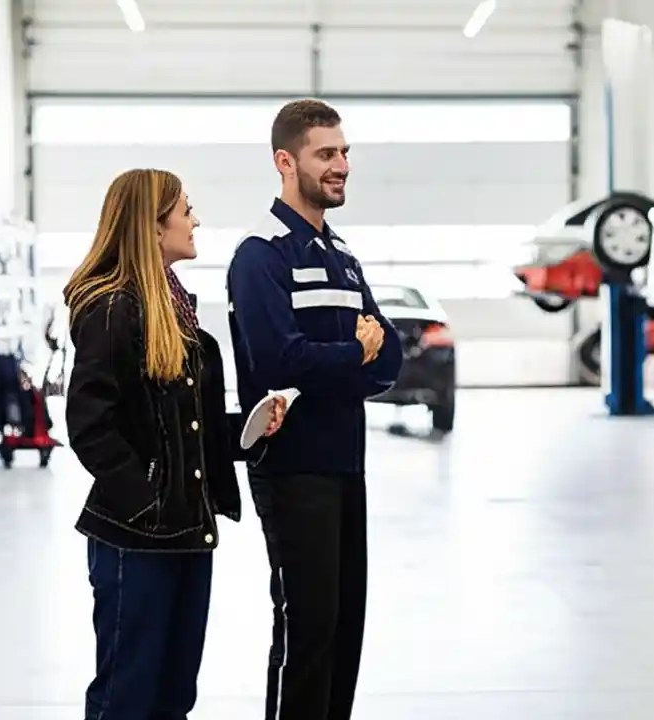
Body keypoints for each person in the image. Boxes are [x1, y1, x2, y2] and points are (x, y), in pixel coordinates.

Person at [63, 168, 284, 720]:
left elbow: (190, 424)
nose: (196, 220)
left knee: (173, 695)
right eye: (185, 210)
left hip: (188, 533)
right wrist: (145, 499)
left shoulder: (175, 309)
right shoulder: (112, 309)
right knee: (126, 695)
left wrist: (249, 429)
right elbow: (89, 424)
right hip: (134, 540)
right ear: (153, 225)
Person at [226, 99, 402, 720]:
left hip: (346, 465)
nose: (342, 165)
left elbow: (390, 356)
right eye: (326, 154)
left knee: (344, 628)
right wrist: (353, 353)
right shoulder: (261, 257)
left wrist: (348, 359)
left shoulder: (344, 257)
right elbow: (278, 362)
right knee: (307, 631)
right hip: (292, 467)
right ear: (285, 161)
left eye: (345, 152)